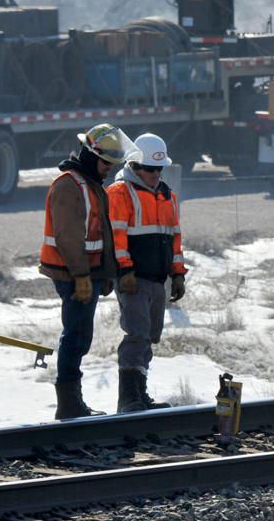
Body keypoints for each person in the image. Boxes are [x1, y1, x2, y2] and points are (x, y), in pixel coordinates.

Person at [40, 123, 136, 419]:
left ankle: (72, 402)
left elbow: (100, 234)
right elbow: (69, 237)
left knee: (80, 334)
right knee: (76, 335)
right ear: (91, 155)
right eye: (106, 162)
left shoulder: (89, 184)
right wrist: (82, 276)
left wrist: (104, 273)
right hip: (74, 275)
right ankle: (69, 403)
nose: (109, 169)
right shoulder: (70, 185)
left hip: (87, 274)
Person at [106, 133, 186, 413]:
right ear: (134, 166)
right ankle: (128, 399)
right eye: (149, 169)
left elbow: (175, 237)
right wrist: (124, 271)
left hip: (157, 278)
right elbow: (117, 236)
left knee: (149, 335)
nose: (154, 174)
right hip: (133, 277)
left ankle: (139, 393)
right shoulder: (119, 193)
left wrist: (178, 274)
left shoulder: (167, 196)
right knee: (136, 334)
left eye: (159, 169)